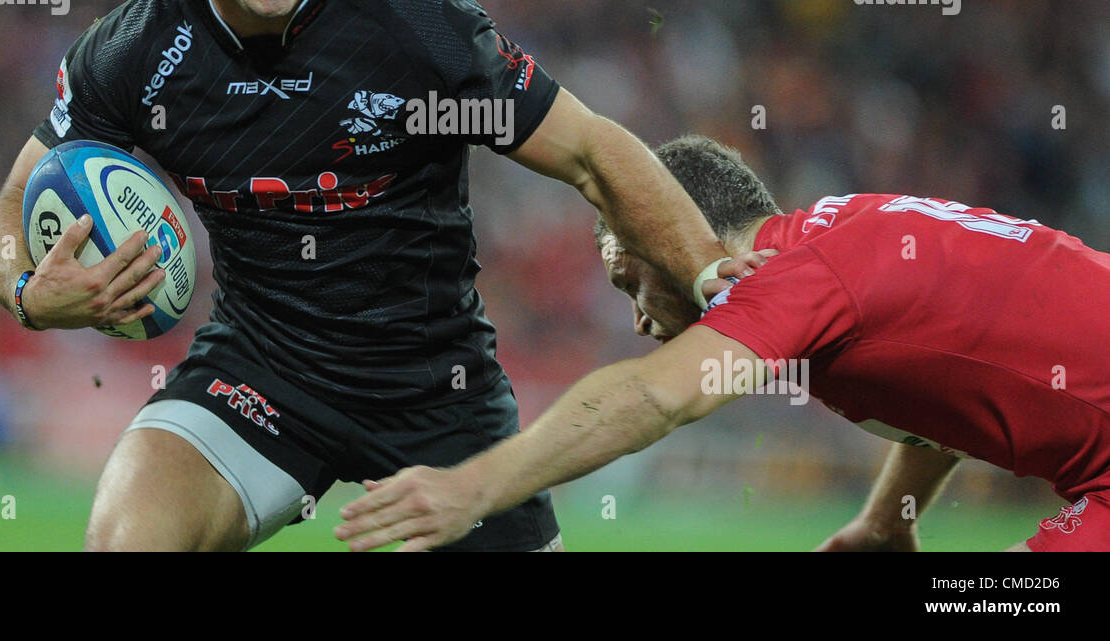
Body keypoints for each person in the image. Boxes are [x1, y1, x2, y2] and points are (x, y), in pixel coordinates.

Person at [0, 0, 751, 552]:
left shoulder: (420, 31)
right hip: (260, 372)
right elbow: (11, 200)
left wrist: (705, 267)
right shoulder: (134, 52)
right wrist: (30, 289)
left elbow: (591, 150)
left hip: (436, 393)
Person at [335, 134, 1110, 552]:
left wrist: (470, 489)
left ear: (671, 231)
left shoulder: (795, 280)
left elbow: (650, 396)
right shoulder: (837, 241)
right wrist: (885, 519)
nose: (639, 318)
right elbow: (949, 367)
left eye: (629, 279)